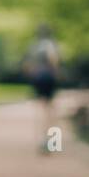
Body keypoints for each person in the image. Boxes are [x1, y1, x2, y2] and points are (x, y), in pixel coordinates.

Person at [22, 23, 62, 151]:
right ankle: (53, 142)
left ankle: (41, 140)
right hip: (48, 77)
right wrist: (55, 73)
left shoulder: (33, 47)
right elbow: (53, 60)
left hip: (37, 78)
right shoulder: (51, 45)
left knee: (40, 108)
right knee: (51, 109)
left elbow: (26, 66)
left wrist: (32, 75)